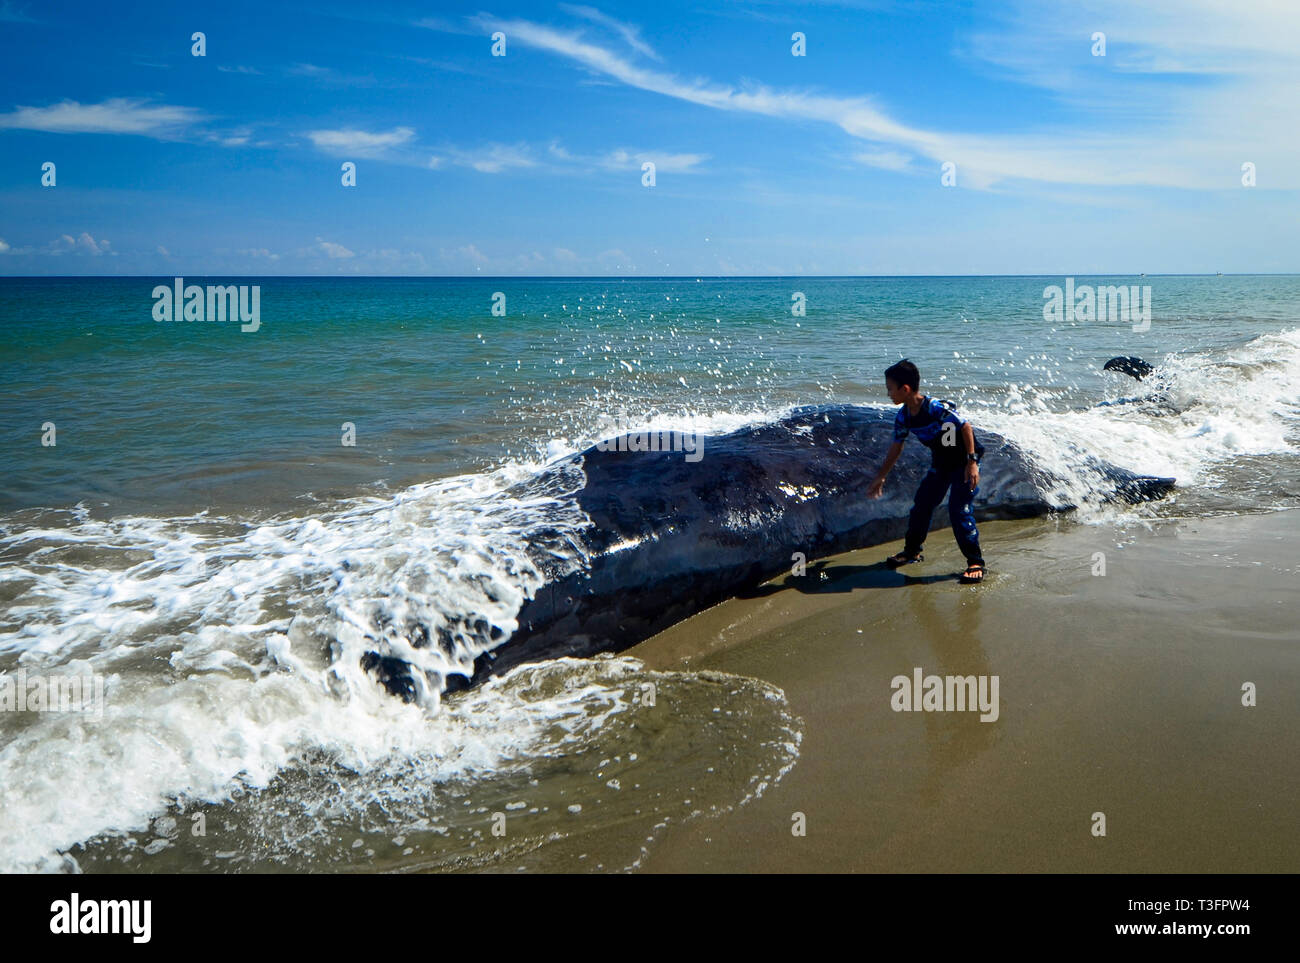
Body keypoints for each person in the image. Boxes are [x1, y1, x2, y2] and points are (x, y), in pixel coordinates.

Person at [865, 359, 987, 583]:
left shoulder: (935, 409)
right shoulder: (904, 417)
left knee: (958, 510)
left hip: (964, 463)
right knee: (921, 506)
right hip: (941, 464)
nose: (888, 394)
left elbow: (965, 426)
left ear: (905, 389)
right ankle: (912, 552)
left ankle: (975, 562)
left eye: (890, 389)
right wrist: (881, 476)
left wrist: (972, 462)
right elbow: (896, 446)